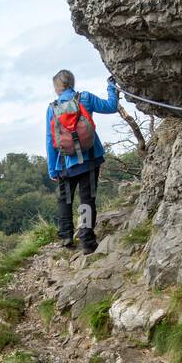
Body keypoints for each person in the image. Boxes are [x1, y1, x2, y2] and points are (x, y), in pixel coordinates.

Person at [46, 69, 119, 253]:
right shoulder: (84, 98)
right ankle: (87, 241)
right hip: (90, 159)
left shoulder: (52, 108)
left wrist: (52, 169)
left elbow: (50, 140)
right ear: (72, 82)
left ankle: (66, 237)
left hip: (65, 164)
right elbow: (111, 106)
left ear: (57, 88)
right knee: (87, 200)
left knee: (65, 200)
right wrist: (112, 87)